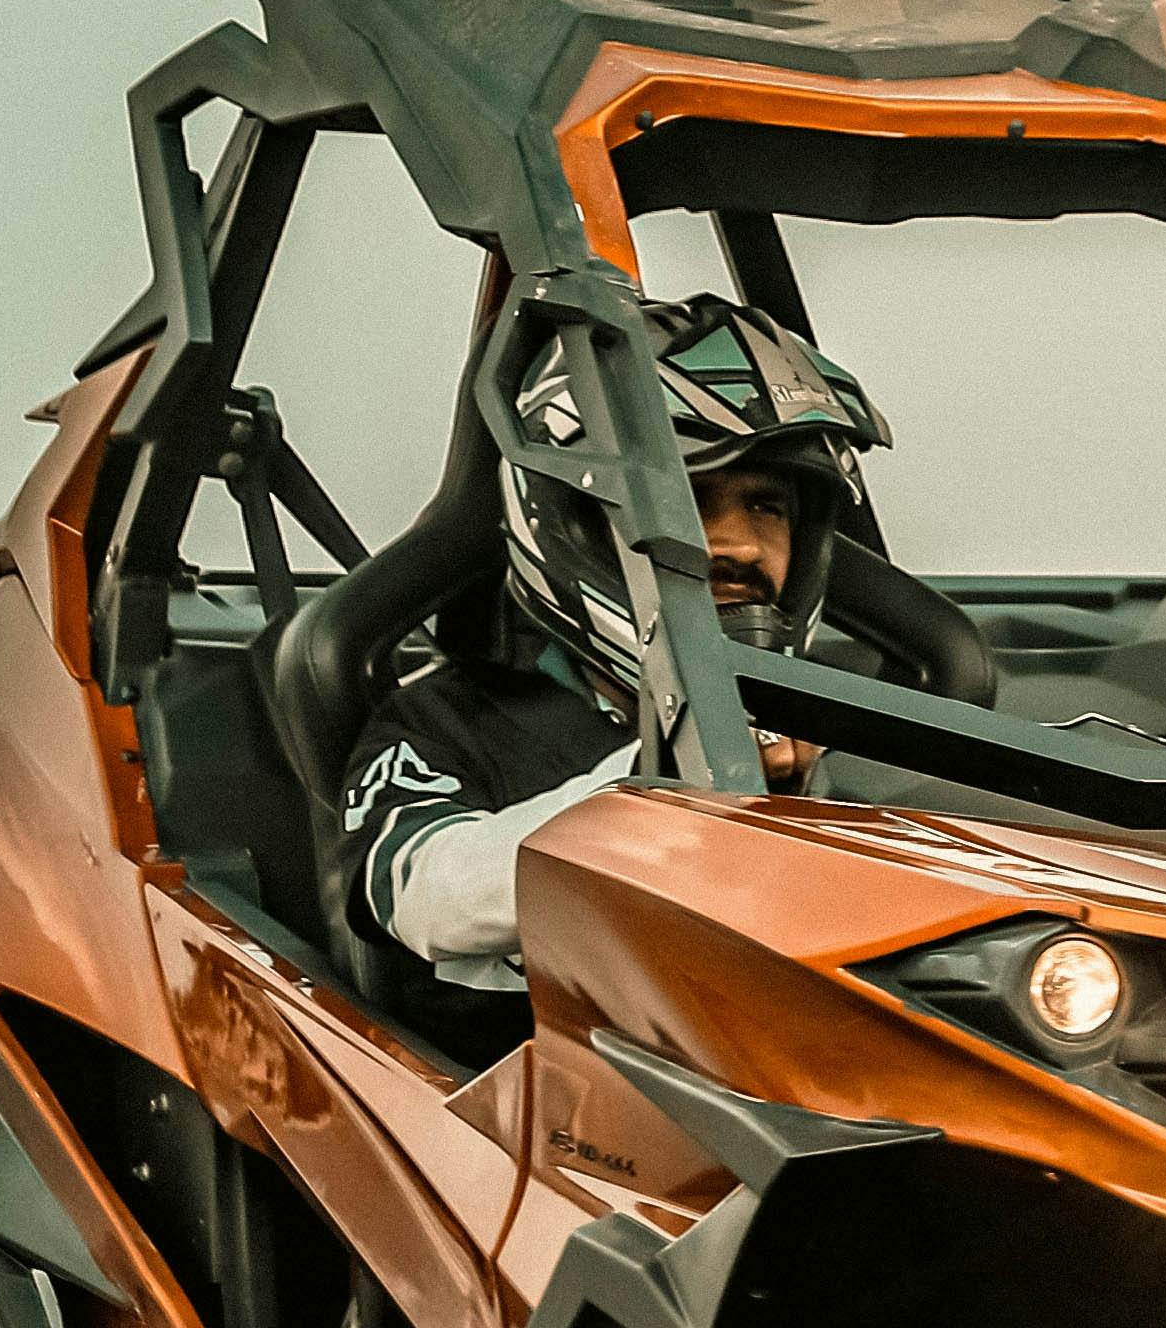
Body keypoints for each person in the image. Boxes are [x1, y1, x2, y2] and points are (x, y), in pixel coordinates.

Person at [338, 295, 890, 997]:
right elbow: (423, 894)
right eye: (688, 500)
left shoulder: (843, 727)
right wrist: (665, 778)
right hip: (520, 1095)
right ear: (574, 525)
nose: (741, 545)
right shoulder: (442, 723)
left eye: (768, 506)